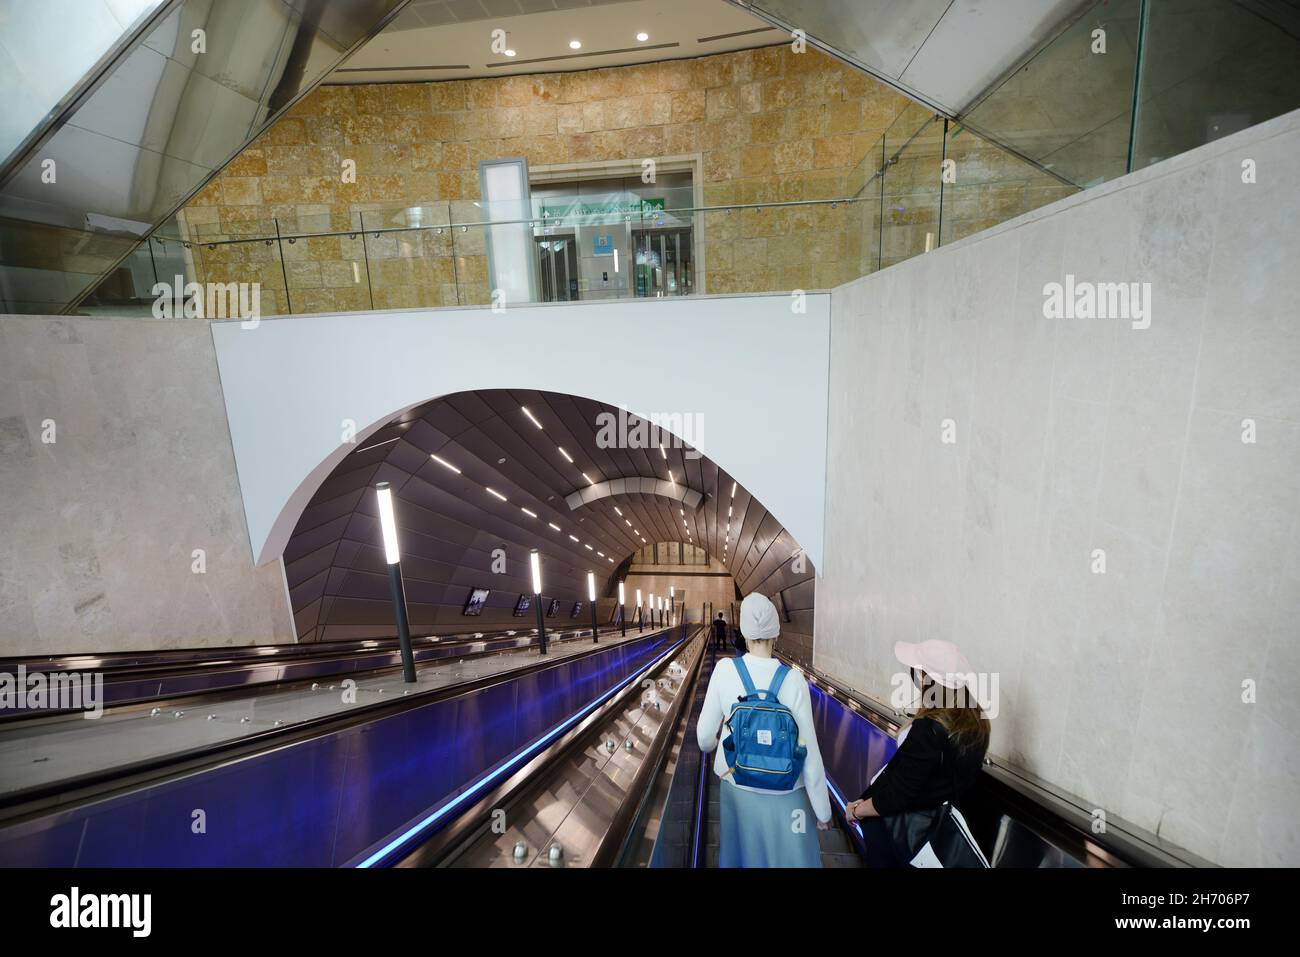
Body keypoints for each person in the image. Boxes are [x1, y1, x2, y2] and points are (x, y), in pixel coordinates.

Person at [697, 593, 831, 866]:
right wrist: (823, 812)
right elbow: (808, 748)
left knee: (743, 857)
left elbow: (703, 738)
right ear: (776, 635)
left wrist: (717, 744)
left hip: (737, 787)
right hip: (787, 791)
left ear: (744, 633)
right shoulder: (793, 680)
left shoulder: (724, 670)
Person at [844, 639, 990, 867]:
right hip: (933, 833)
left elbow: (897, 796)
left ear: (925, 679)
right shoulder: (976, 722)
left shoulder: (928, 730)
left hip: (901, 834)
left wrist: (856, 810)